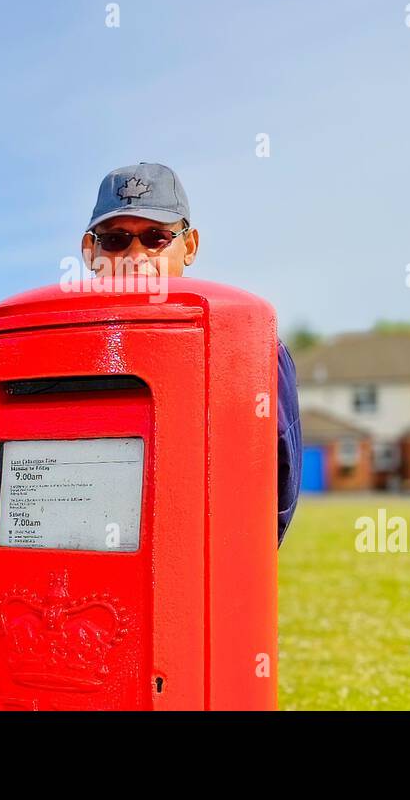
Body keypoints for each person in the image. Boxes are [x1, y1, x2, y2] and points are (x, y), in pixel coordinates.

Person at [81, 161, 302, 545]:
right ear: (90, 251)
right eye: (115, 239)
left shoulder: (244, 346)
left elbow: (276, 490)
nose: (137, 256)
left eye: (156, 237)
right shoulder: (63, 347)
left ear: (190, 245)